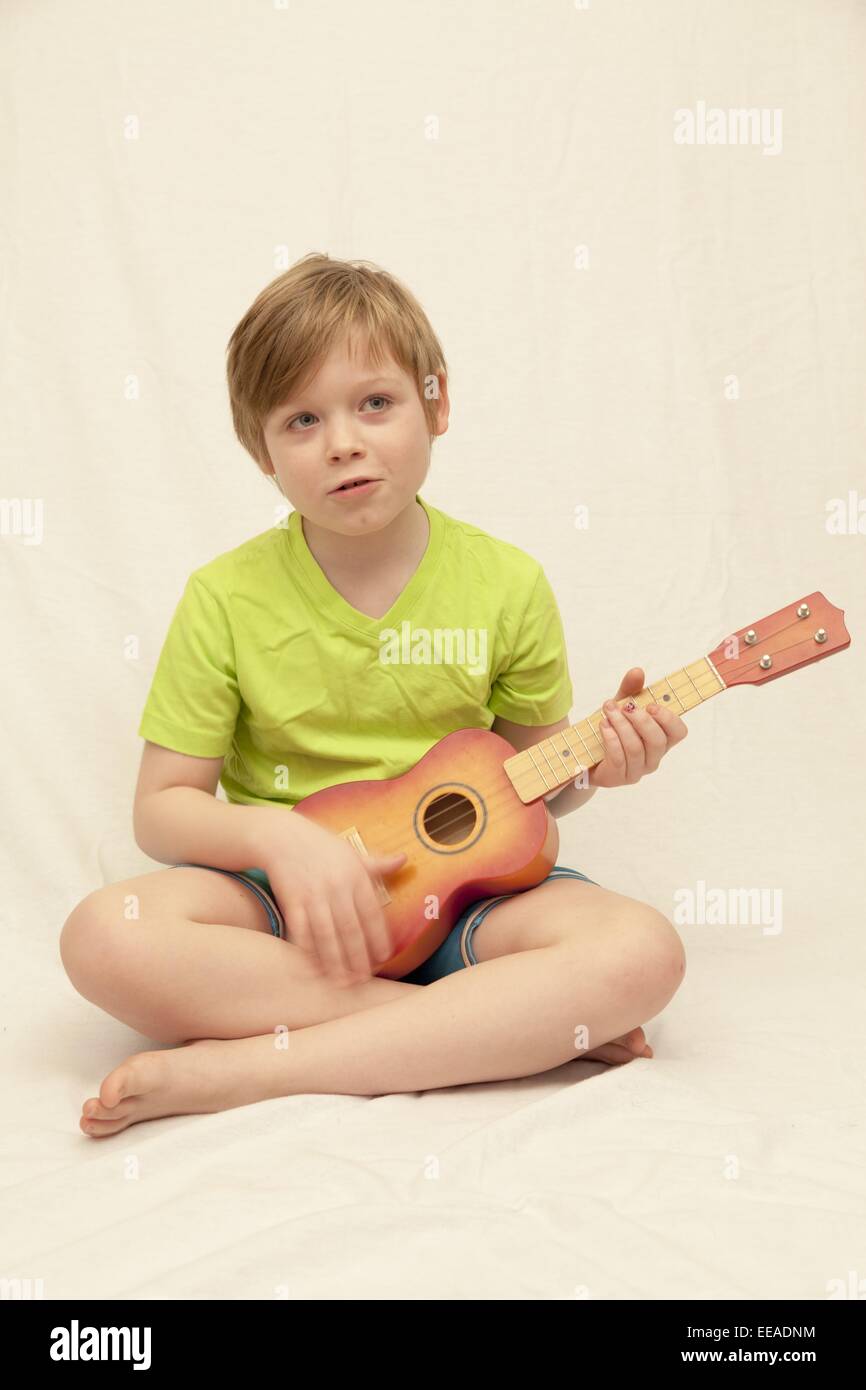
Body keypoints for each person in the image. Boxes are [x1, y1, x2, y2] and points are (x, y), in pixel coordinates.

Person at [60, 253, 688, 1137]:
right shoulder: (224, 597)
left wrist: (604, 764)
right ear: (262, 452)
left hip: (474, 904)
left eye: (376, 403)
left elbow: (536, 780)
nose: (344, 441)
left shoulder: (507, 583)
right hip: (289, 915)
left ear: (436, 404)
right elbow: (162, 811)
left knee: (644, 951)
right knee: (103, 934)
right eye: (302, 419)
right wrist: (280, 840)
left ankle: (248, 1070)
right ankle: (488, 1032)